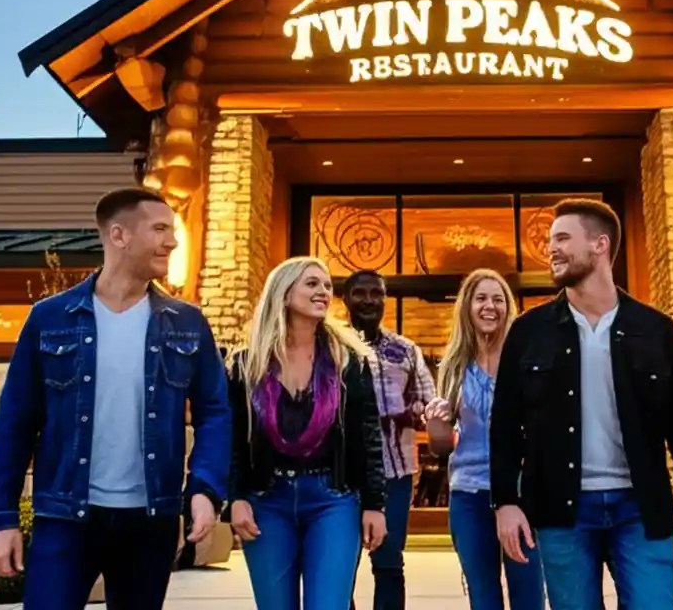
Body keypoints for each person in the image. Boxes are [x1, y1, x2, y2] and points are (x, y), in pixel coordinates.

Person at [0, 187, 231, 609]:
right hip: (65, 517)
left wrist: (204, 489)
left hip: (151, 520)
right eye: (160, 229)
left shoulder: (187, 324)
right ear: (119, 236)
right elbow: (15, 422)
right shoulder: (50, 319)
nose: (171, 241)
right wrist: (0, 518)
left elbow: (215, 412)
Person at [490, 198, 673, 610]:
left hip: (639, 506)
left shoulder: (655, 328)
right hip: (561, 511)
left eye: (562, 238)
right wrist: (505, 501)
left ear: (599, 245)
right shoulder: (528, 332)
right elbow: (504, 427)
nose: (551, 248)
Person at [226, 256, 388, 610]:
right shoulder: (246, 363)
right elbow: (234, 439)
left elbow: (369, 437)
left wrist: (375, 504)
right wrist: (235, 497)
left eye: (327, 285)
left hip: (332, 498)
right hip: (268, 500)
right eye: (312, 284)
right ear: (283, 294)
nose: (324, 292)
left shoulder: (349, 360)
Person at [423, 269, 546, 610]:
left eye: (498, 299)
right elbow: (444, 446)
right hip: (469, 494)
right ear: (467, 307)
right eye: (481, 298)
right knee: (483, 596)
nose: (489, 306)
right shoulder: (454, 366)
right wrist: (436, 426)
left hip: (522, 493)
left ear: (509, 307)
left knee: (529, 594)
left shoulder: (525, 360)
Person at [342, 270, 436, 610]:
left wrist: (411, 412)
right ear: (345, 300)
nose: (368, 300)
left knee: (389, 562)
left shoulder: (406, 350)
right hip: (344, 474)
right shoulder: (331, 346)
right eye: (360, 293)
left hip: (395, 473)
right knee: (340, 565)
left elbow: (429, 404)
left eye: (376, 294)